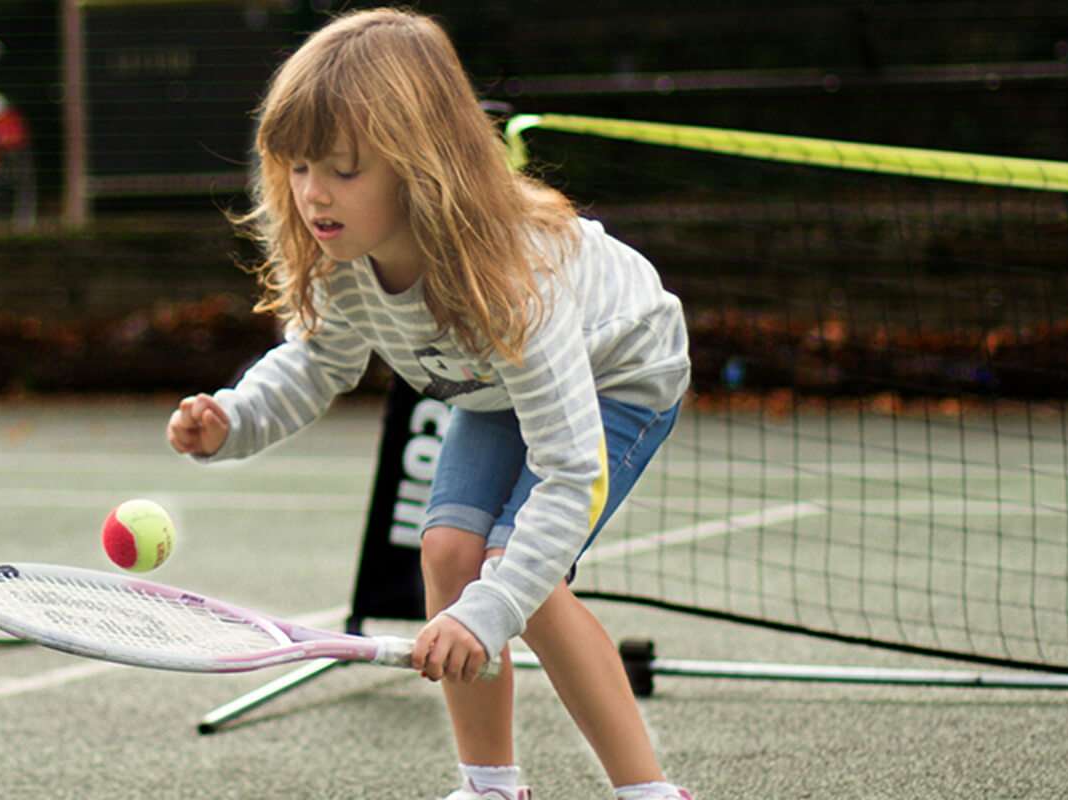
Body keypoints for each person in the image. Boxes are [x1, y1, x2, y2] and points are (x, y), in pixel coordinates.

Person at [163, 10, 693, 800]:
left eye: (344, 169)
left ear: (420, 165)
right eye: (300, 166)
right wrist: (233, 420)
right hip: (490, 385)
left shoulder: (515, 281)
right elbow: (314, 364)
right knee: (447, 554)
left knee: (525, 578)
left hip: (621, 376)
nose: (313, 195)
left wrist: (490, 612)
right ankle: (490, 788)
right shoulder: (340, 260)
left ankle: (649, 793)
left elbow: (569, 469)